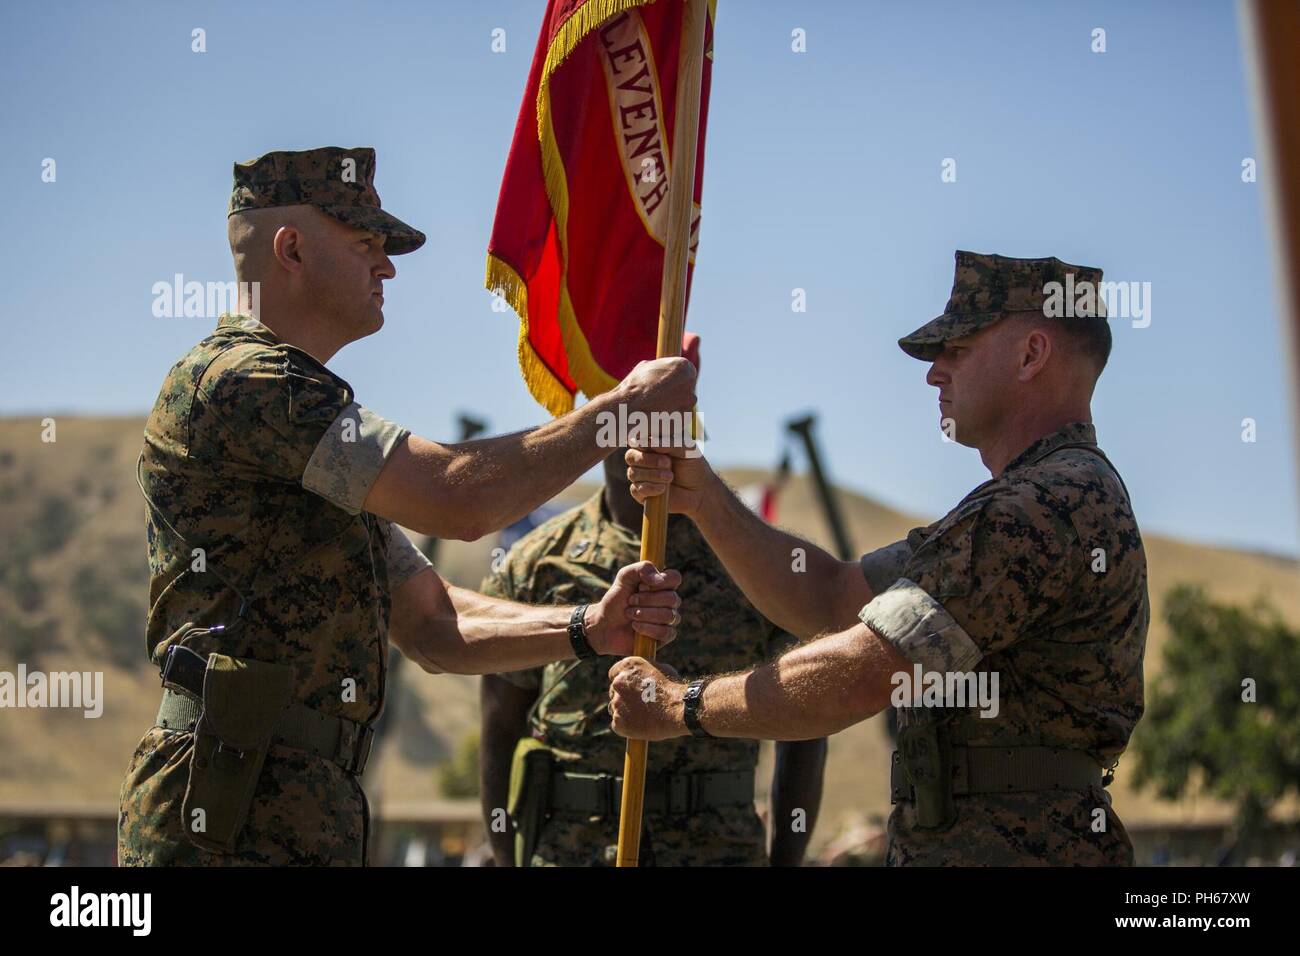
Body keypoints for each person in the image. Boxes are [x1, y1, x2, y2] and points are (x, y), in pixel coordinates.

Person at [117, 146, 692, 866]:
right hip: (227, 813)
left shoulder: (310, 425)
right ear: (290, 249)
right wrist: (622, 410)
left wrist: (588, 627)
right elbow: (457, 496)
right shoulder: (246, 380)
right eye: (366, 245)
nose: (386, 267)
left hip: (286, 805)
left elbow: (431, 624)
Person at [612, 250, 1149, 866]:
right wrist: (702, 497)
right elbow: (833, 596)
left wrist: (679, 705)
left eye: (958, 349)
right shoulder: (1025, 502)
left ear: (1031, 354)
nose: (933, 373)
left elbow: (864, 672)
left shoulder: (1043, 506)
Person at [480, 338, 828, 867]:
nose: (647, 432)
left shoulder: (752, 560)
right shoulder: (537, 562)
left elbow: (803, 723)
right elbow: (499, 723)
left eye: (667, 413)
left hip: (718, 850)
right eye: (630, 409)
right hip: (574, 848)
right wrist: (506, 859)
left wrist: (786, 859)